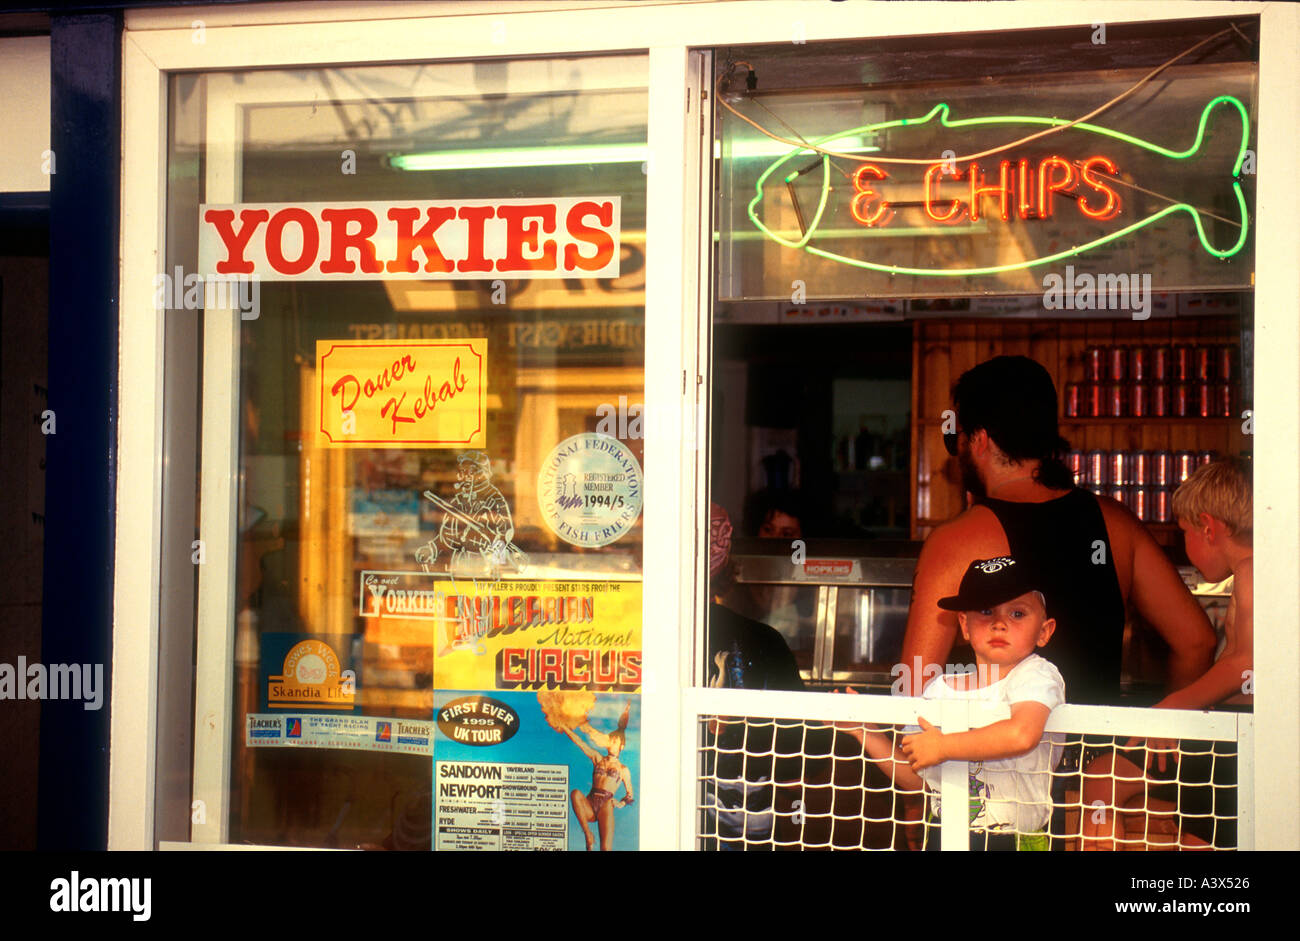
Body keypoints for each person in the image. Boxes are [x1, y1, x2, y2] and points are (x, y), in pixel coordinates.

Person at [900, 356, 1216, 705]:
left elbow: (915, 686)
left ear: (980, 440)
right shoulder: (1117, 523)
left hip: (1002, 757)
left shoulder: (955, 541)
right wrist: (1156, 737)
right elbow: (1197, 640)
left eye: (958, 436)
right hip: (1097, 755)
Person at [1080, 459, 1252, 850]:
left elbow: (1247, 664)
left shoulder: (1253, 572)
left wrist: (1171, 710)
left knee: (1107, 779)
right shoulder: (1252, 572)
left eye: (1184, 532)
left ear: (1209, 527)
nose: (1183, 543)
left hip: (1236, 741)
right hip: (1221, 730)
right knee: (1104, 774)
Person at [839, 557, 1064, 851]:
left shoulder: (1037, 675)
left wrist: (943, 746)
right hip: (944, 835)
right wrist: (863, 731)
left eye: (1017, 613)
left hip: (1016, 840)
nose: (999, 623)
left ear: (1044, 631)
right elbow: (916, 777)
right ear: (965, 625)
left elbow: (1022, 733)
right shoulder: (940, 689)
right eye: (985, 611)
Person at [561, 702, 634, 852]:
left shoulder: (623, 769)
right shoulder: (597, 758)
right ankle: (588, 834)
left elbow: (630, 795)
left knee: (605, 848)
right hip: (590, 801)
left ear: (622, 747)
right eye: (611, 740)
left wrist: (620, 803)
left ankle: (593, 838)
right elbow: (580, 743)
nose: (612, 743)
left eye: (616, 741)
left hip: (606, 805)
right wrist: (564, 727)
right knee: (575, 793)